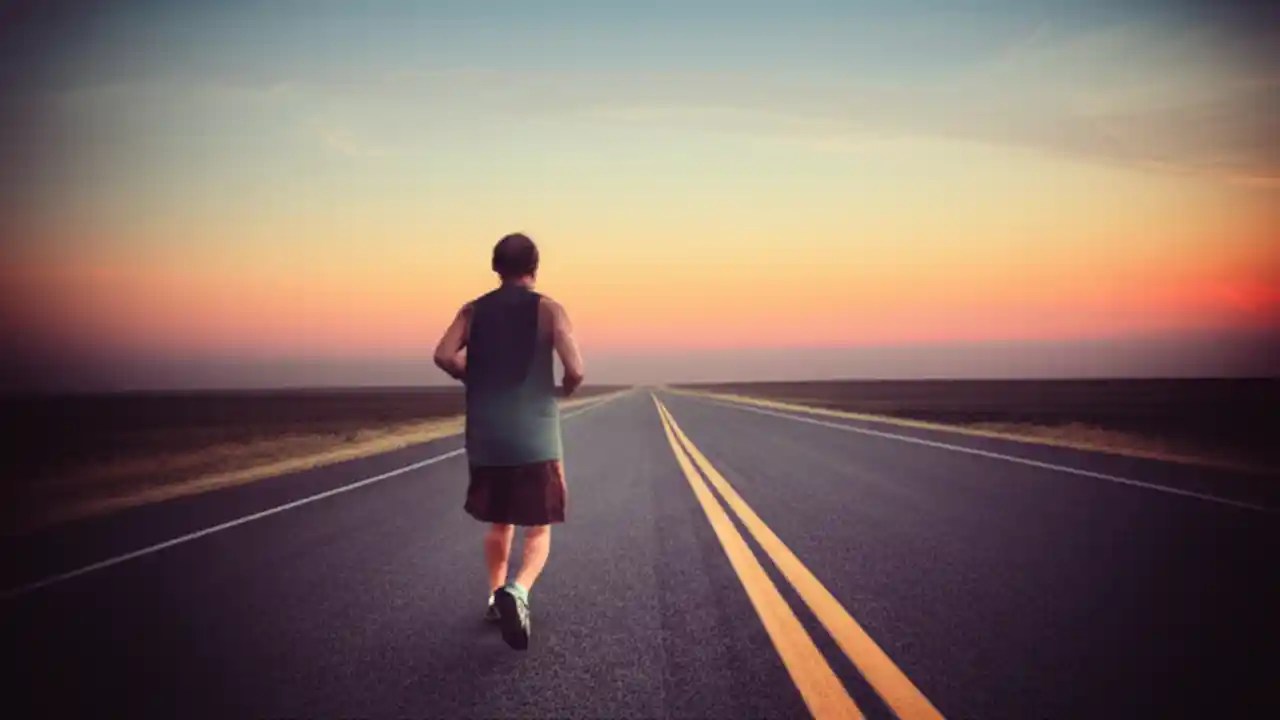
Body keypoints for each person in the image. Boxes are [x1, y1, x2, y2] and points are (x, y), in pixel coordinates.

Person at [433, 232, 585, 650]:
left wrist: (473, 375)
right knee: (538, 525)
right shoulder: (549, 310)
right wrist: (561, 392)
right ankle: (517, 592)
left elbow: (444, 355)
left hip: (487, 435)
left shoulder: (473, 311)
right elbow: (576, 369)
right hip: (534, 434)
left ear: (496, 268)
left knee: (500, 520)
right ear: (534, 267)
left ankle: (495, 594)